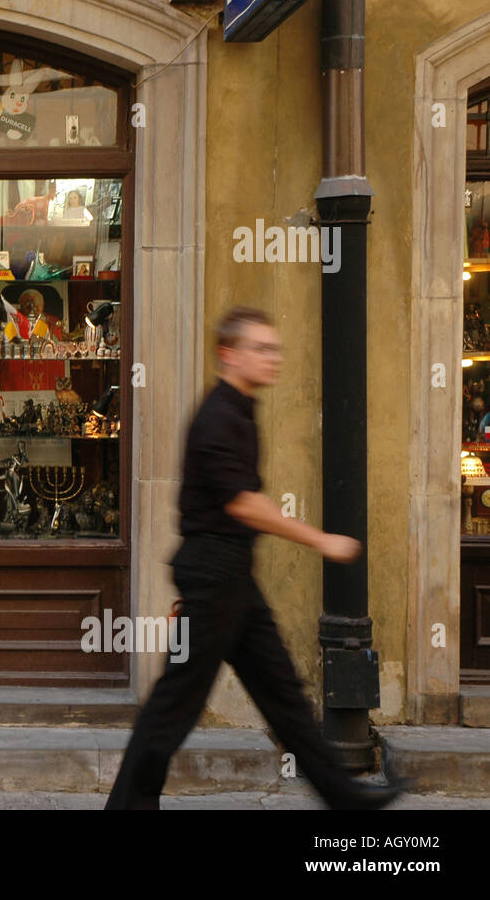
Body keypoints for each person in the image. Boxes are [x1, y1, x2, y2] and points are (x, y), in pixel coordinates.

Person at [104, 306, 410, 810]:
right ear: (230, 354)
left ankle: (344, 796)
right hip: (214, 579)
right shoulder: (220, 416)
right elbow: (245, 503)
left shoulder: (239, 410)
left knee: (282, 694)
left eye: (275, 349)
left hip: (229, 578)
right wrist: (321, 540)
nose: (274, 358)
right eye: (262, 349)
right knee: (174, 706)